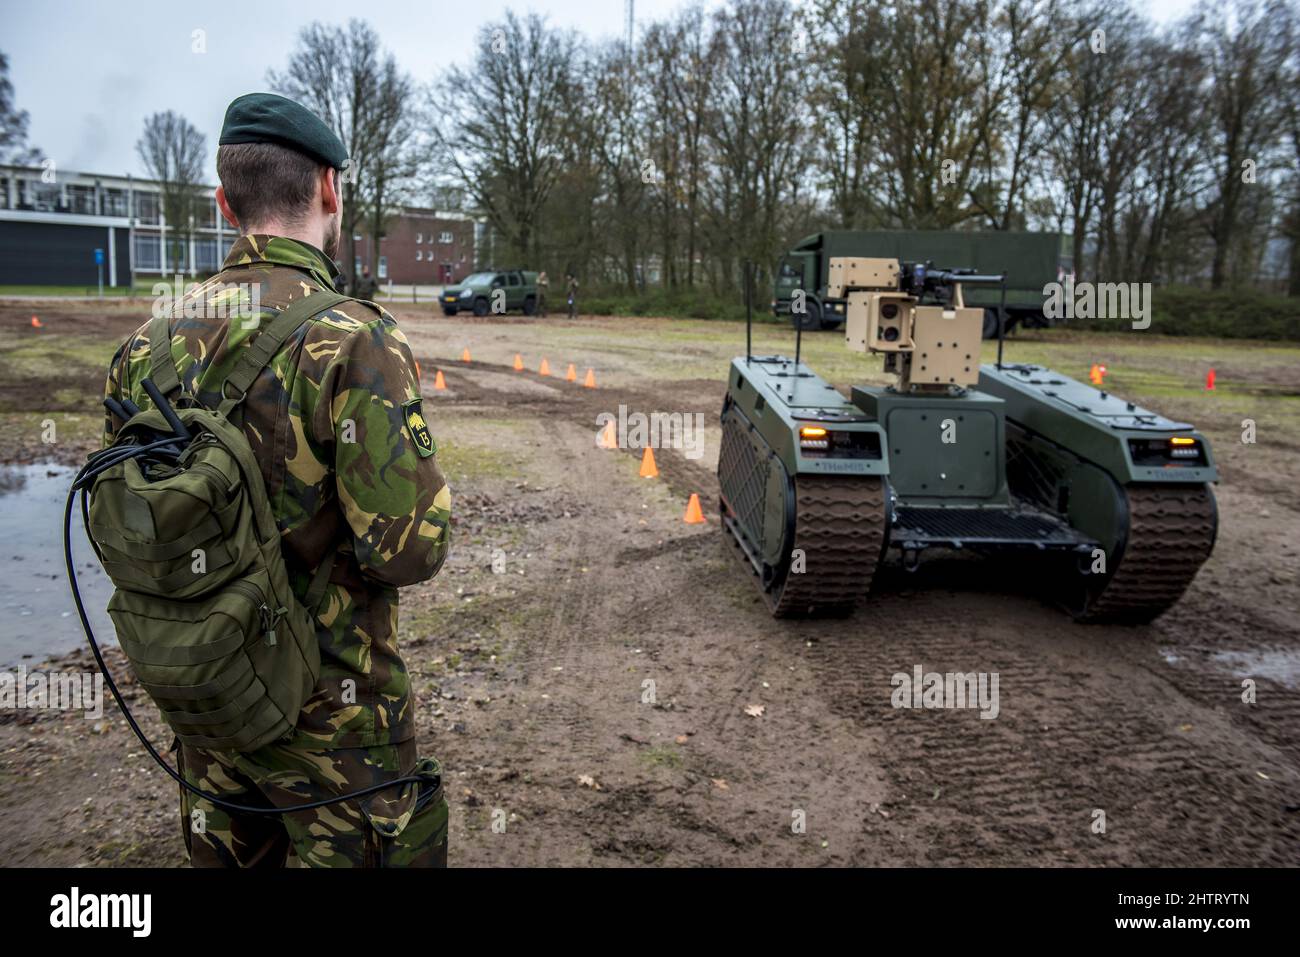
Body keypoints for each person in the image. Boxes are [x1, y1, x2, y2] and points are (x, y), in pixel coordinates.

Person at [101, 91, 452, 868]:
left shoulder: (142, 350)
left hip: (211, 702)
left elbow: (138, 534)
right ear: (329, 188)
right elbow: (410, 551)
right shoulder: (355, 340)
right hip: (338, 726)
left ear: (225, 202)